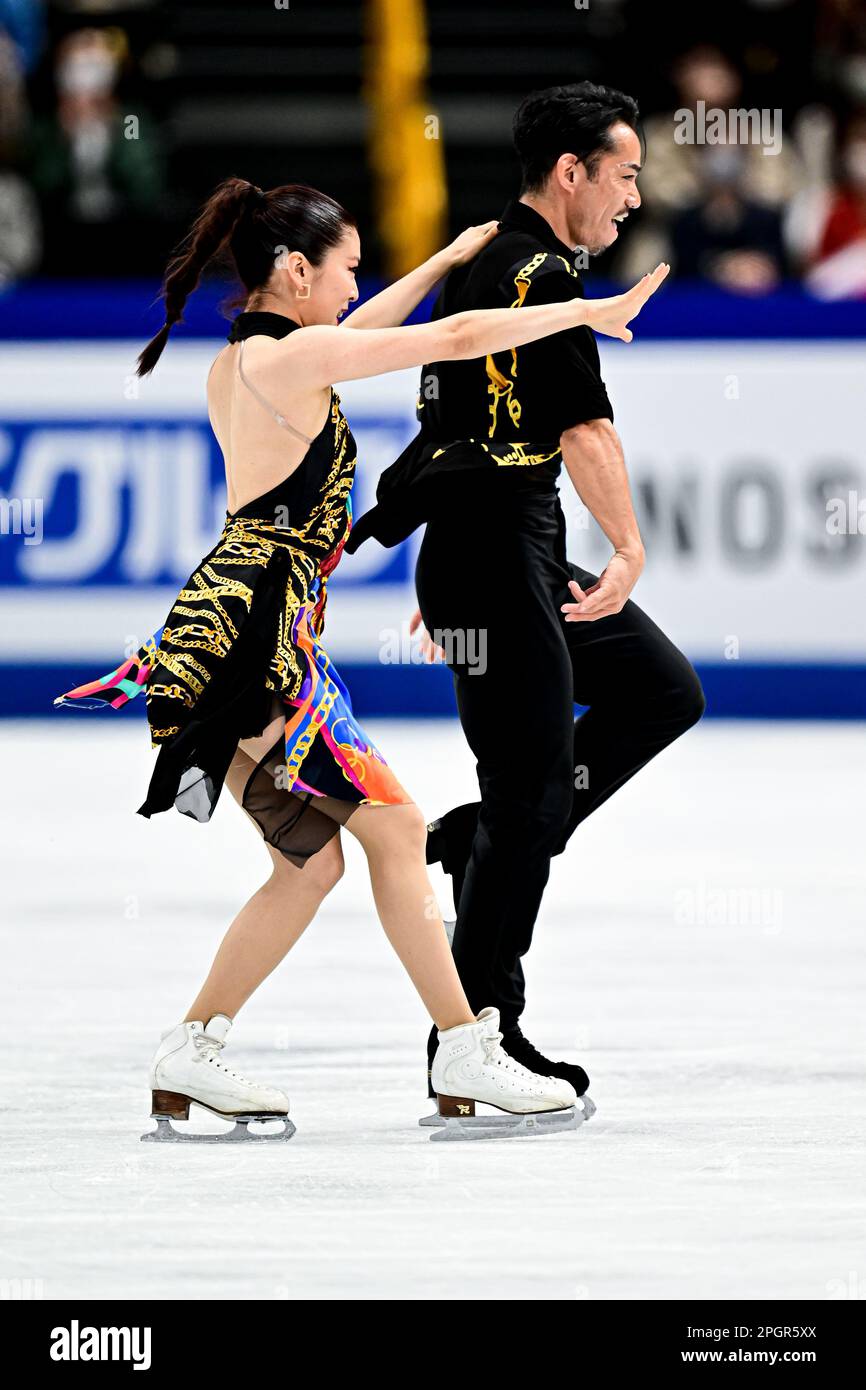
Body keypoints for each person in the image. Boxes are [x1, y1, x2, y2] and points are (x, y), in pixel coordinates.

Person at [54, 175, 668, 1141]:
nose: (354, 288)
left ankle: (193, 1048)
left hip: (227, 631)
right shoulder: (298, 360)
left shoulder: (248, 362)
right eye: (345, 269)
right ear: (295, 271)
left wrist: (446, 259)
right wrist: (585, 312)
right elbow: (452, 340)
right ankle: (464, 1044)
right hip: (259, 641)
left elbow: (363, 331)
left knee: (309, 868)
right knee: (396, 827)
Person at [344, 82, 706, 1105]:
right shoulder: (538, 274)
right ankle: (476, 1035)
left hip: (502, 549)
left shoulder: (491, 261)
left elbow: (449, 421)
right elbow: (583, 428)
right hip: (495, 550)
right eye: (624, 174)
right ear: (570, 172)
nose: (634, 197)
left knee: (659, 690)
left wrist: (455, 553)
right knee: (529, 786)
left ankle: (482, 840)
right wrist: (626, 548)